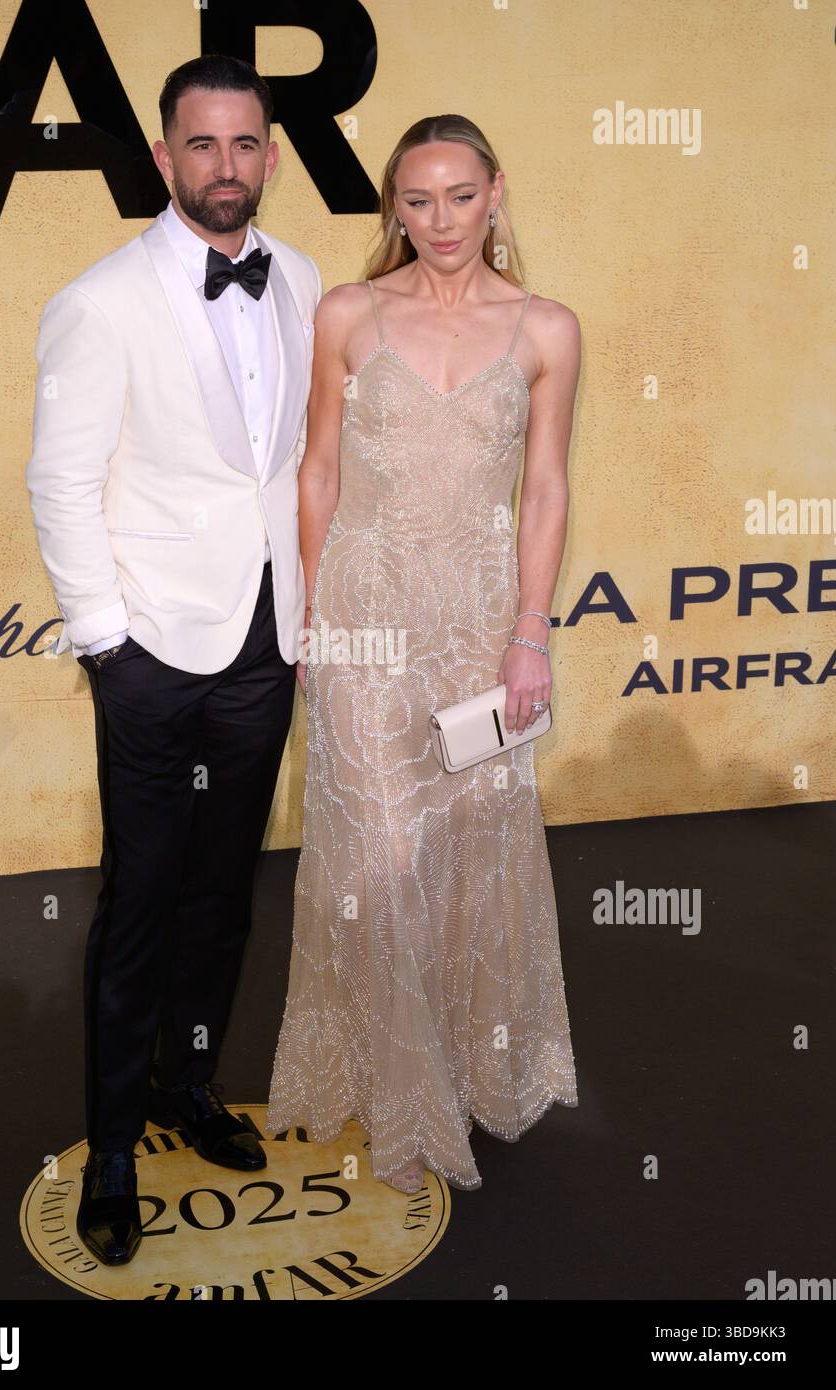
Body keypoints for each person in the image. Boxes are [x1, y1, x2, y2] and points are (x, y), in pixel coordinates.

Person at [25, 55, 321, 1264]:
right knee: (140, 901)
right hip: (150, 649)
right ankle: (106, 1145)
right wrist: (106, 644)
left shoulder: (297, 276)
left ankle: (187, 1088)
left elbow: (294, 463)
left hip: (265, 640)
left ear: (268, 152)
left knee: (223, 894)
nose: (225, 167)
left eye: (244, 144)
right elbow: (58, 480)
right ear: (162, 159)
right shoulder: (100, 300)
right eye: (200, 146)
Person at [266, 114, 580, 1193]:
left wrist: (528, 633)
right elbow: (315, 474)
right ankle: (400, 1093)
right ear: (390, 208)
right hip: (363, 610)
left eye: (457, 194)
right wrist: (308, 617)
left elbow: (543, 490)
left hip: (478, 624)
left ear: (494, 191)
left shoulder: (545, 328)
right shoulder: (348, 314)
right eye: (415, 199)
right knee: (377, 854)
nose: (437, 220)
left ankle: (459, 1066)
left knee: (466, 845)